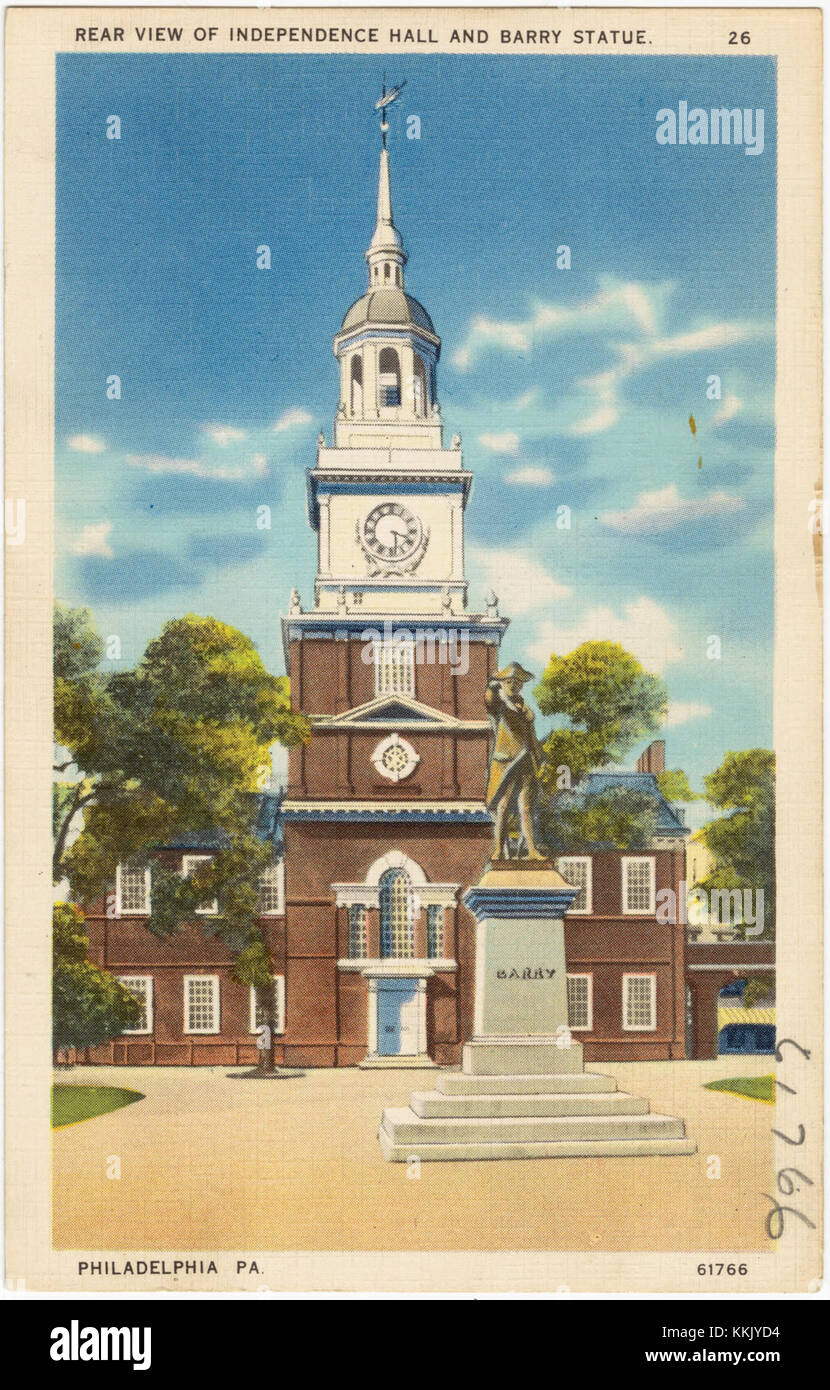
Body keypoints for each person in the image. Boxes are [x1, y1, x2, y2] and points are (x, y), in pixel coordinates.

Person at [484, 662, 546, 861]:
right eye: (509, 682)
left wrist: (539, 757)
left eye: (517, 682)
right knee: (503, 806)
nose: (513, 685)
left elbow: (531, 737)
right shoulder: (500, 705)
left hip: (526, 761)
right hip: (507, 762)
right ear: (503, 683)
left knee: (526, 807)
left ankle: (532, 851)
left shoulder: (524, 709)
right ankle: (499, 850)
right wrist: (493, 686)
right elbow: (489, 700)